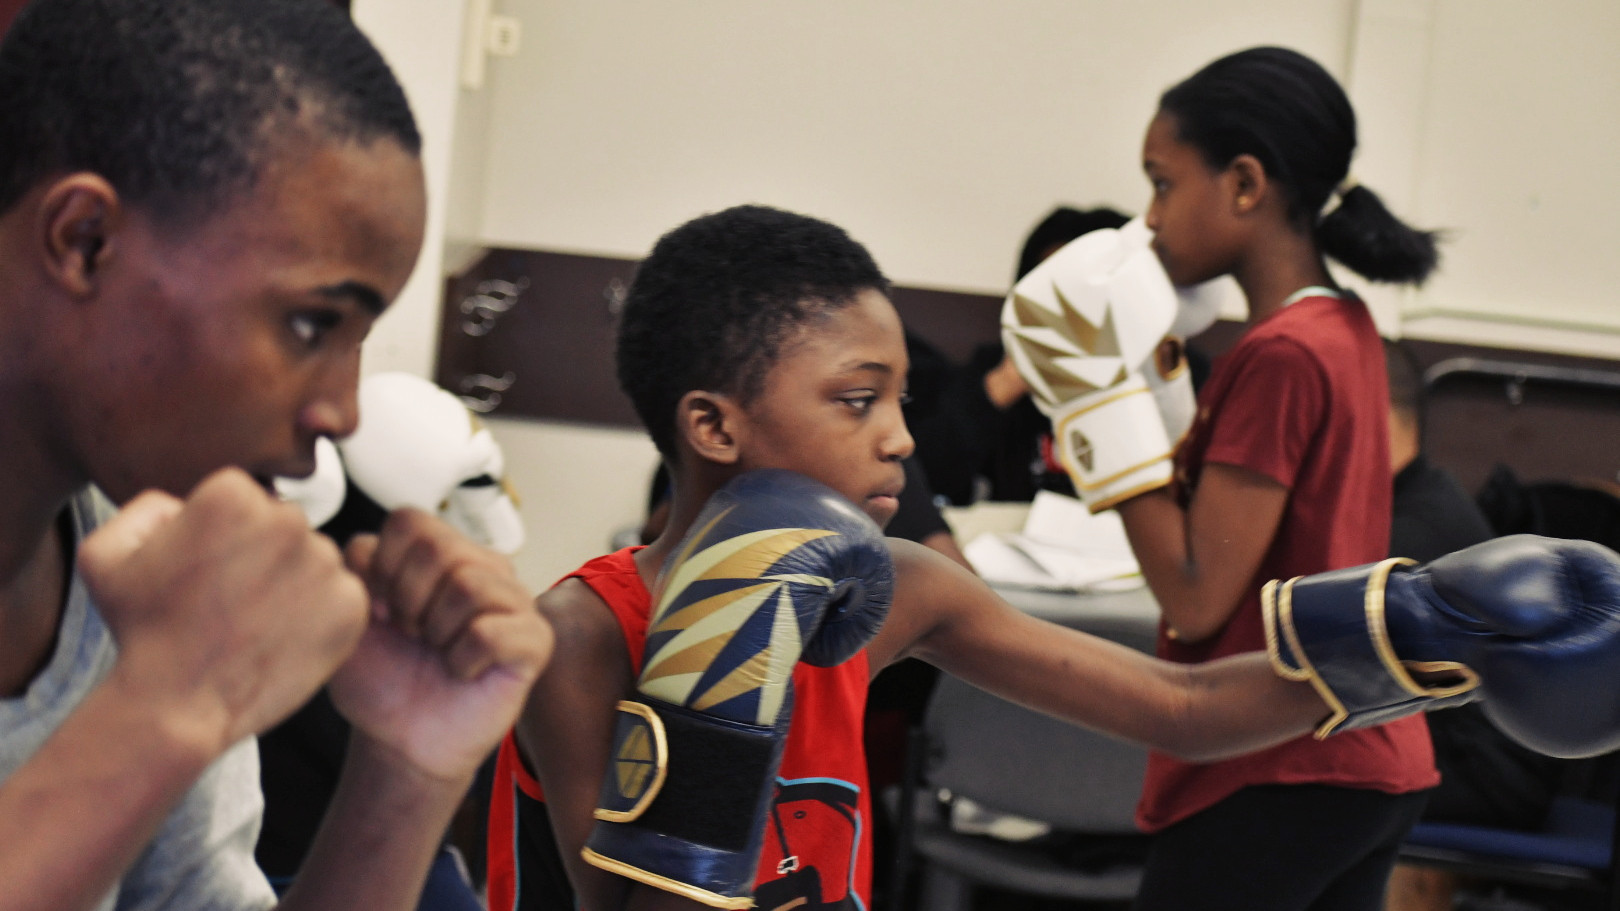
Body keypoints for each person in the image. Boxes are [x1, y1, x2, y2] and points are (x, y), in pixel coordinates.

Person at [487, 204, 1619, 911]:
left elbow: (1180, 706)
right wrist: (728, 642)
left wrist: (1417, 628)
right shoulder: (580, 635)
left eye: (902, 399)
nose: (901, 437)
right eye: (857, 399)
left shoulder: (902, 590)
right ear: (713, 424)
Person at [0, 2, 553, 910]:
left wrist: (406, 767)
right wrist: (169, 701)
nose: (341, 411)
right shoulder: (170, 642)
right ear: (84, 241)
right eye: (311, 323)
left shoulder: (147, 574)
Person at [1076, 46, 1445, 910]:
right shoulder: (1344, 324)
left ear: (1244, 183)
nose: (1150, 218)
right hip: (1358, 741)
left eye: (1163, 183)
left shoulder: (1281, 351)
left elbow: (1197, 594)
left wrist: (1094, 404)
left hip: (1278, 759)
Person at [1379, 339, 1566, 911]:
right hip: (1488, 761)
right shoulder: (1423, 495)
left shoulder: (1408, 539)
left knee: (1304, 774)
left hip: (1489, 777)